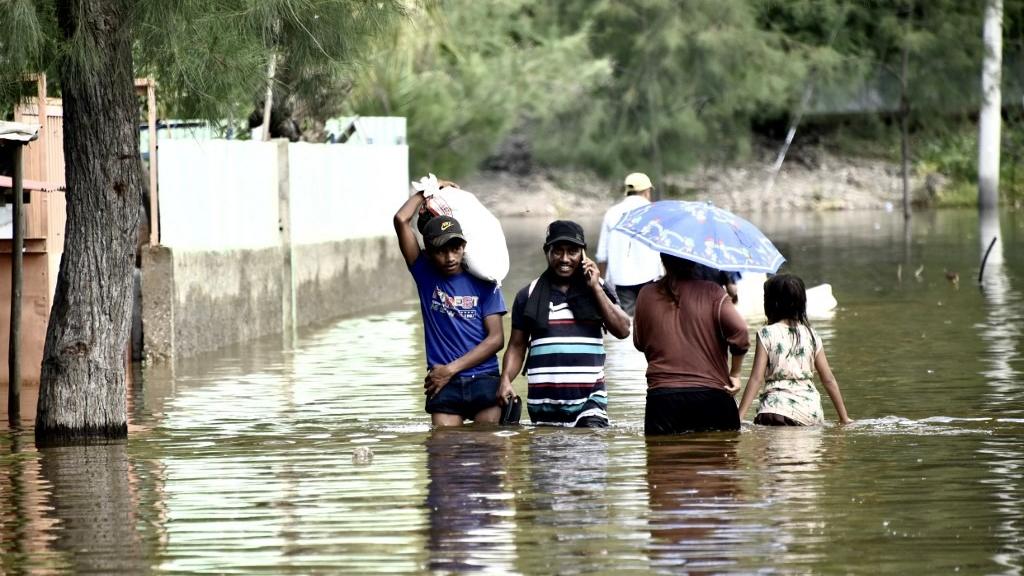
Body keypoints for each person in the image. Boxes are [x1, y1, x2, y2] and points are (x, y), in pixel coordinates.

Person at [499, 220, 631, 427]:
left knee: (589, 443)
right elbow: (517, 346)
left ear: (583, 254)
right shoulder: (528, 295)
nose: (565, 259)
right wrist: (505, 379)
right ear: (547, 252)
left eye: (572, 251)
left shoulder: (599, 288)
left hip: (589, 404)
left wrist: (595, 288)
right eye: (557, 251)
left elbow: (623, 330)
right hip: (543, 406)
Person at [393, 188, 507, 426]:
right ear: (429, 250)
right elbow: (401, 220)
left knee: (488, 453)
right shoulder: (425, 274)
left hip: (482, 378)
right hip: (443, 384)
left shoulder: (485, 279)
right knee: (443, 454)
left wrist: (450, 369)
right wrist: (426, 191)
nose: (450, 257)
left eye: (455, 248)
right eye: (441, 251)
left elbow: (496, 339)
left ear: (464, 246)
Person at [633, 254, 750, 435]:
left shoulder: (646, 294)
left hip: (663, 400)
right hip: (712, 395)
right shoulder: (713, 292)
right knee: (719, 458)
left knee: (663, 460)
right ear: (695, 260)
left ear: (663, 260)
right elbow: (740, 333)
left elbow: (640, 342)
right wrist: (735, 373)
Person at [738, 274, 852, 426]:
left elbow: (756, 379)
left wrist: (738, 417)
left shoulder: (766, 333)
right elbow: (828, 379)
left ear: (770, 303)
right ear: (801, 303)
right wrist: (844, 418)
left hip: (773, 410)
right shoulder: (812, 335)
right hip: (807, 412)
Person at [595, 172, 663, 315]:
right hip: (651, 278)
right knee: (649, 320)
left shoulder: (612, 213)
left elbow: (601, 256)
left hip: (621, 280)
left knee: (626, 325)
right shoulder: (655, 212)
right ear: (646, 191)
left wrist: (601, 286)